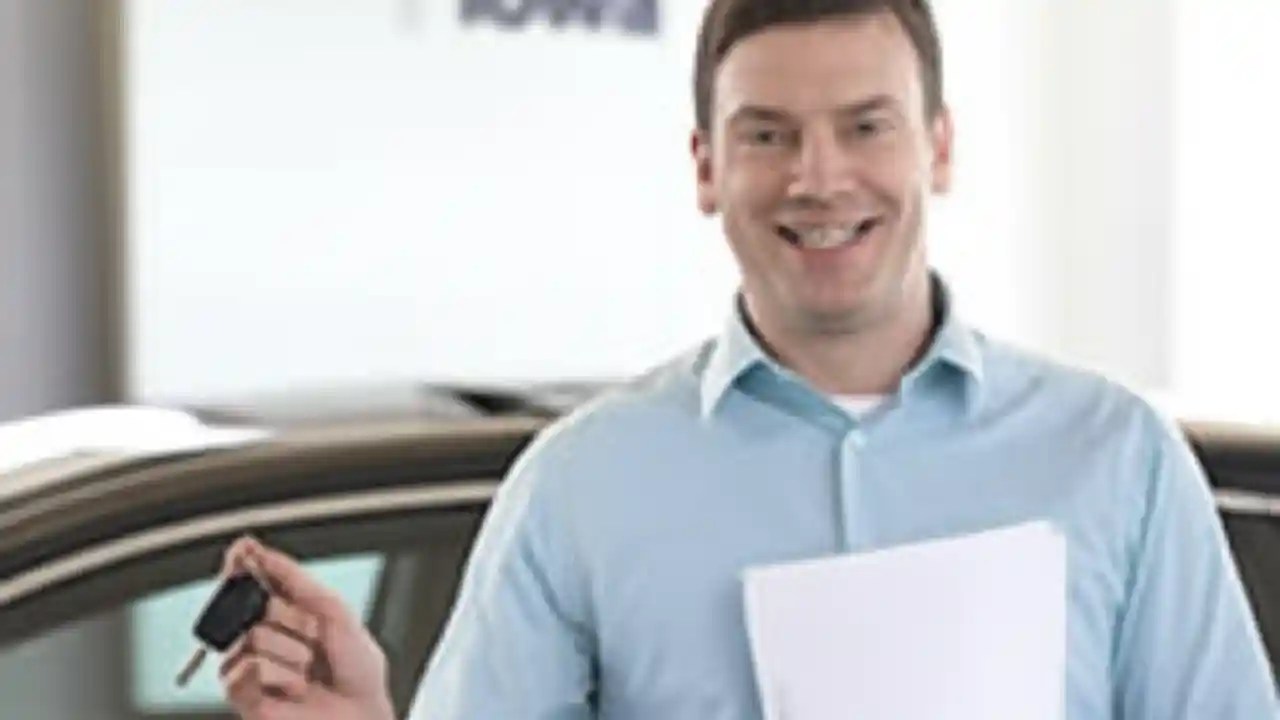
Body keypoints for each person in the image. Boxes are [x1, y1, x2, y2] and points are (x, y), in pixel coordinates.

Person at [216, 1, 1279, 717]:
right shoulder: (580, 487)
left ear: (937, 147)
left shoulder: (1115, 461)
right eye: (767, 135)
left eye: (864, 127)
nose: (818, 179)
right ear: (705, 166)